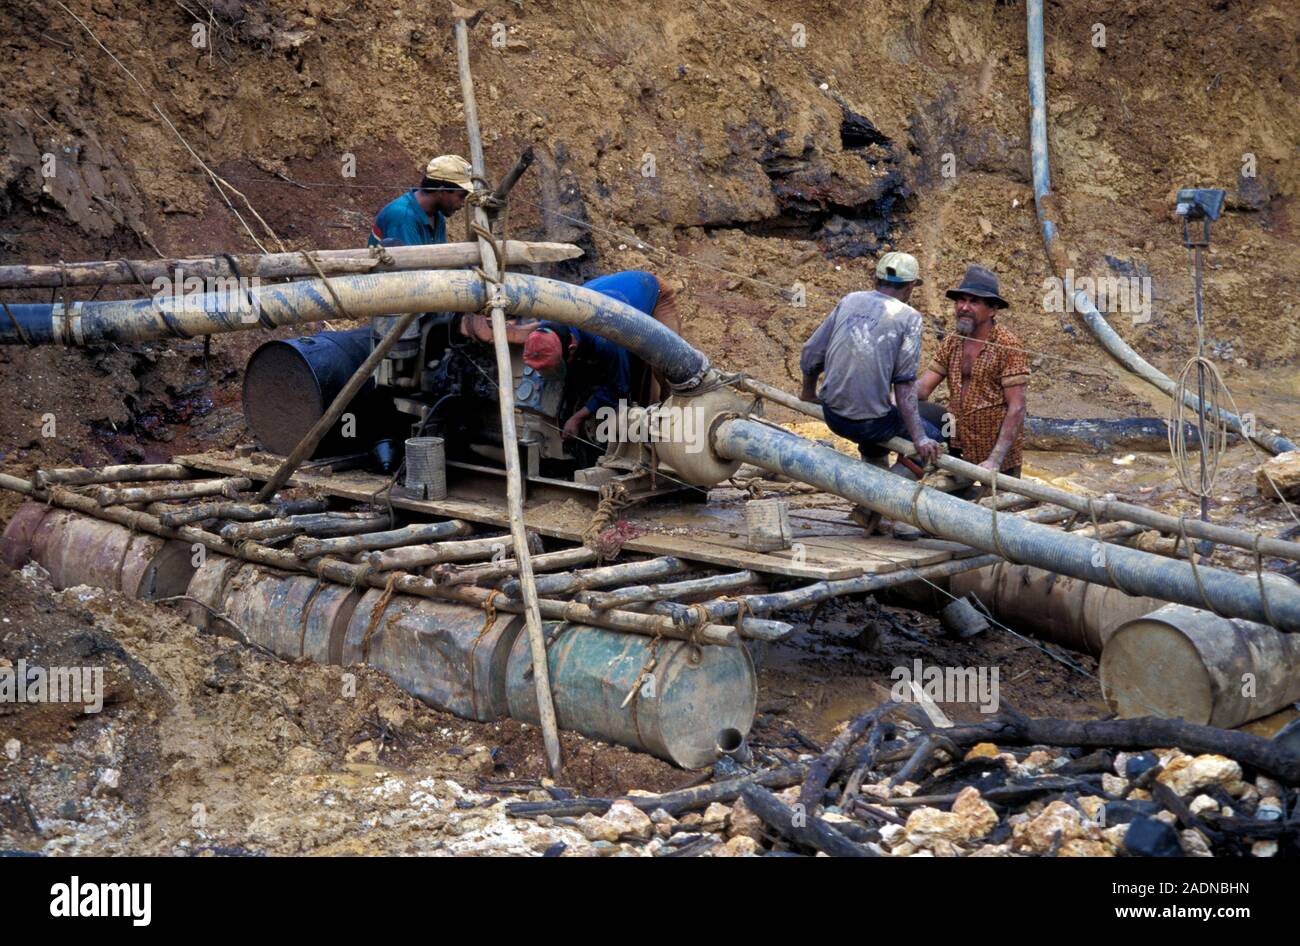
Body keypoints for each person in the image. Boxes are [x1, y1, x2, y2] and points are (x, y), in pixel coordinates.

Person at [800, 252, 943, 533]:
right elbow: (904, 385)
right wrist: (920, 438)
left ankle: (872, 516)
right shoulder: (909, 318)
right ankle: (873, 503)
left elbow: (811, 352)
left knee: (878, 432)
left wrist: (808, 392)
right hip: (869, 423)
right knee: (935, 439)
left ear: (875, 279)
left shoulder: (850, 300)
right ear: (910, 286)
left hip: (833, 415)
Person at [917, 265, 1029, 489]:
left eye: (974, 302)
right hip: (959, 441)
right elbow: (923, 387)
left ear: (993, 309)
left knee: (997, 506)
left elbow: (1017, 407)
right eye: (961, 300)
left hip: (995, 450)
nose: (964, 307)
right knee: (940, 498)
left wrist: (995, 459)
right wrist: (892, 398)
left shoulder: (1008, 346)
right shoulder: (953, 340)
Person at [522, 322, 630, 463]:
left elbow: (619, 388)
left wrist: (577, 418)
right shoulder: (544, 330)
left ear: (572, 348)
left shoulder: (606, 342)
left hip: (629, 329)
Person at [368, 154, 474, 248]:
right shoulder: (403, 218)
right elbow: (410, 262)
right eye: (461, 196)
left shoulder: (437, 216)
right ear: (441, 191)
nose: (463, 203)